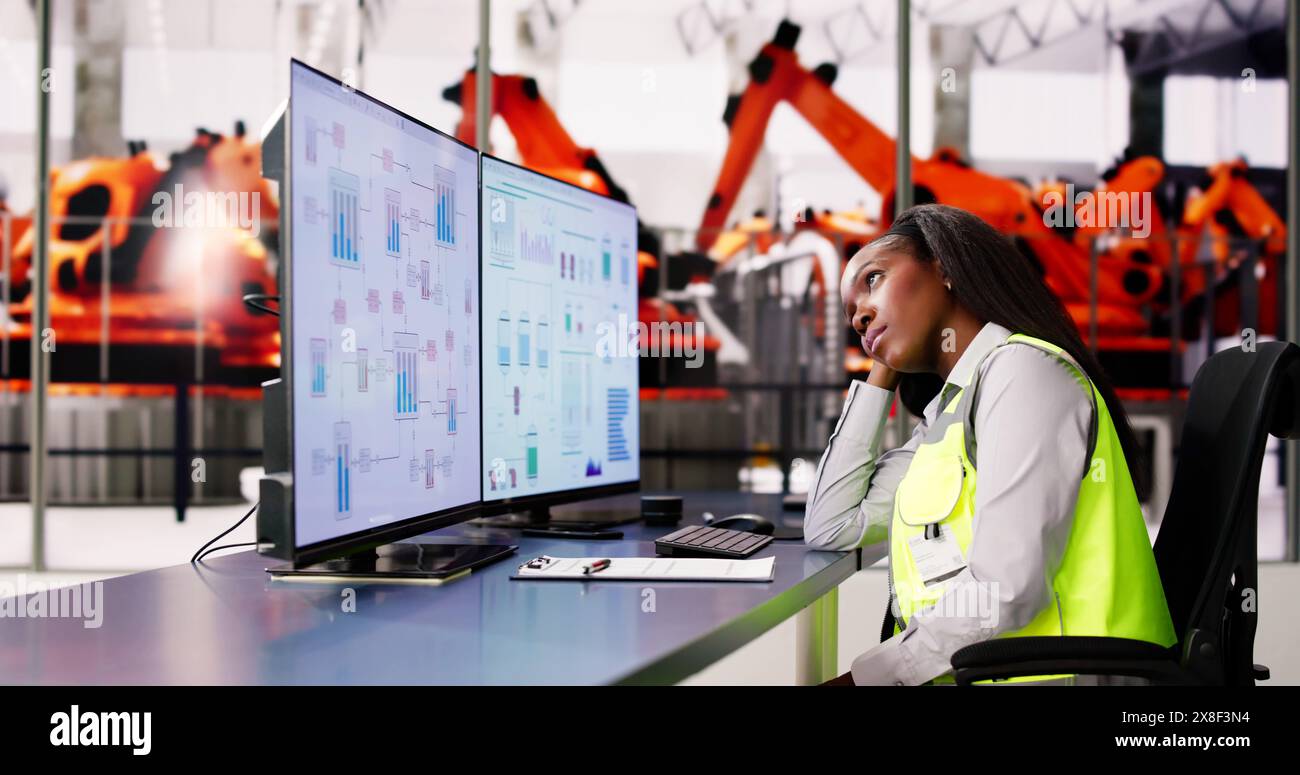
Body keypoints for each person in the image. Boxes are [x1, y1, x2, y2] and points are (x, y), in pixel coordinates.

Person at [805, 203, 1176, 685]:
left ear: (944, 267)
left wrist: (868, 679)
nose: (858, 316)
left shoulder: (1024, 375)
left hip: (1070, 678)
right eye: (851, 312)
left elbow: (1006, 589)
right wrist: (881, 371)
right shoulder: (951, 414)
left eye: (872, 280)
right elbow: (832, 525)